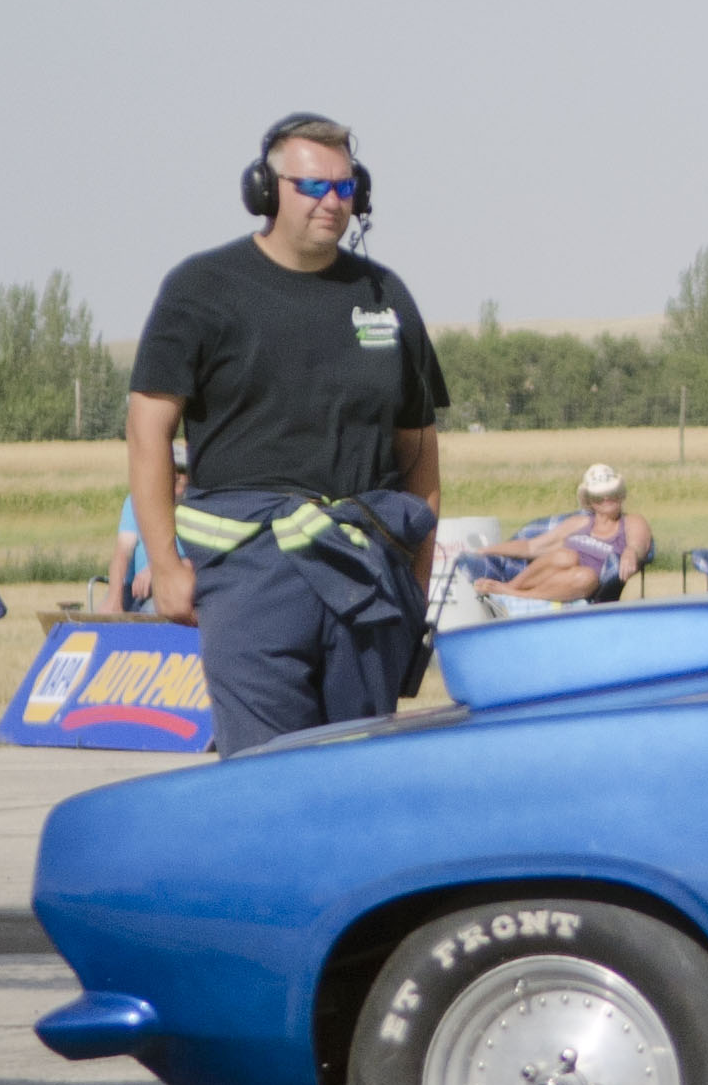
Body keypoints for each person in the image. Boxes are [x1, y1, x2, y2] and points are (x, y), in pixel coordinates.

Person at [127, 112, 447, 754]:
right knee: (263, 772)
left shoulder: (384, 296)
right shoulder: (202, 289)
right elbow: (146, 431)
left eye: (345, 186)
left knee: (358, 766)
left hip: (366, 571)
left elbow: (419, 451)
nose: (332, 201)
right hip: (250, 569)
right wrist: (164, 564)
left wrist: (414, 580)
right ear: (265, 190)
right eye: (312, 186)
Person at [478, 463, 652, 606]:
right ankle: (509, 587)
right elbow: (531, 547)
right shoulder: (579, 522)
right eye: (599, 496)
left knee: (587, 576)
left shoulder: (631, 521)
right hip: (552, 577)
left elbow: (638, 544)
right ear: (589, 500)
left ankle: (514, 594)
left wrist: (631, 553)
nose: (606, 499)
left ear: (621, 494)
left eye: (612, 493)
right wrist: (485, 550)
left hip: (587, 584)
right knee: (566, 556)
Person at [96, 441, 189, 615]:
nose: (170, 482)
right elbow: (123, 551)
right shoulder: (137, 502)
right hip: (134, 588)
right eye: (166, 474)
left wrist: (157, 570)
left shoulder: (197, 509)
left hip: (173, 588)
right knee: (103, 615)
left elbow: (200, 562)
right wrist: (114, 598)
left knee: (150, 612)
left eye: (177, 477)